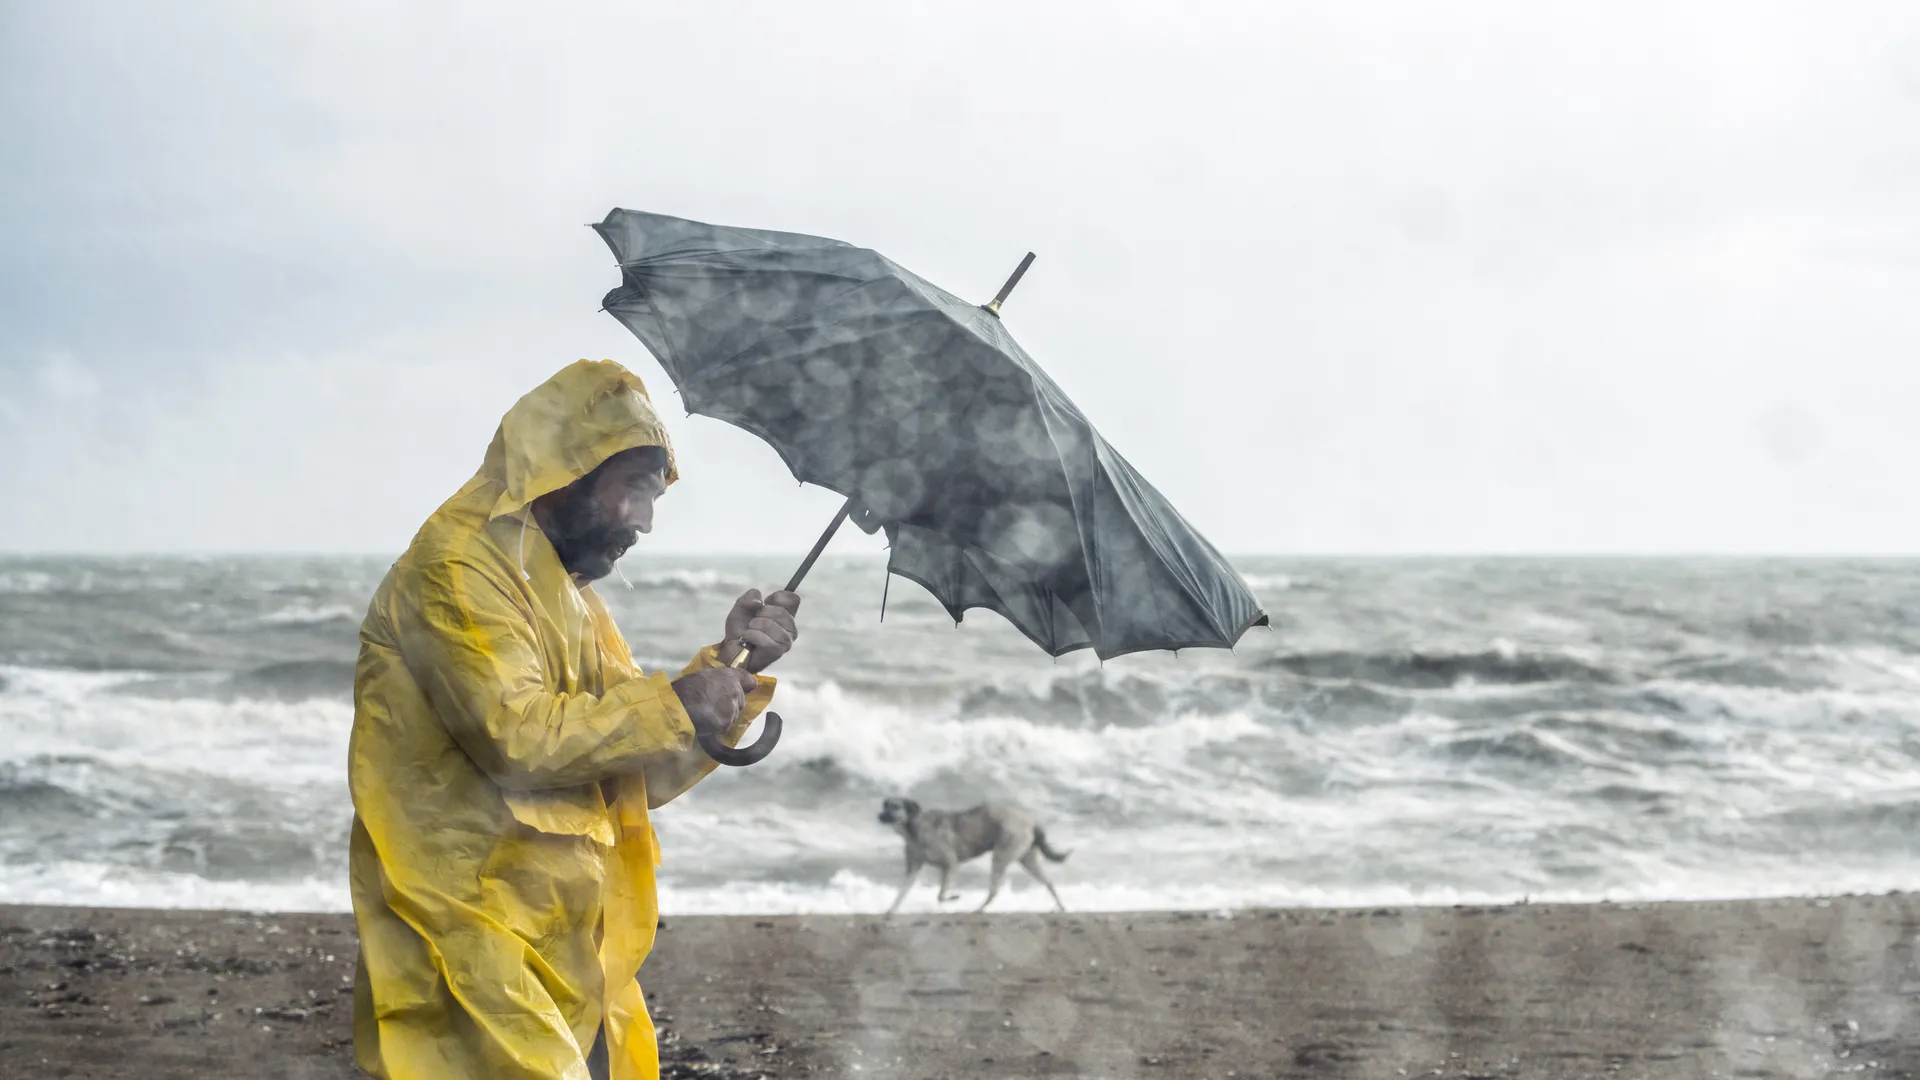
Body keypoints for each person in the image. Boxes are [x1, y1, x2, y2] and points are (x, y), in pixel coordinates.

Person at [346, 359, 800, 1080]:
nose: (647, 522)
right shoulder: (458, 570)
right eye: (637, 493)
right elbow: (518, 740)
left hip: (561, 930)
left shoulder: (563, 587)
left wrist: (727, 673)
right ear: (566, 470)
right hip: (466, 919)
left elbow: (628, 771)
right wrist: (677, 705)